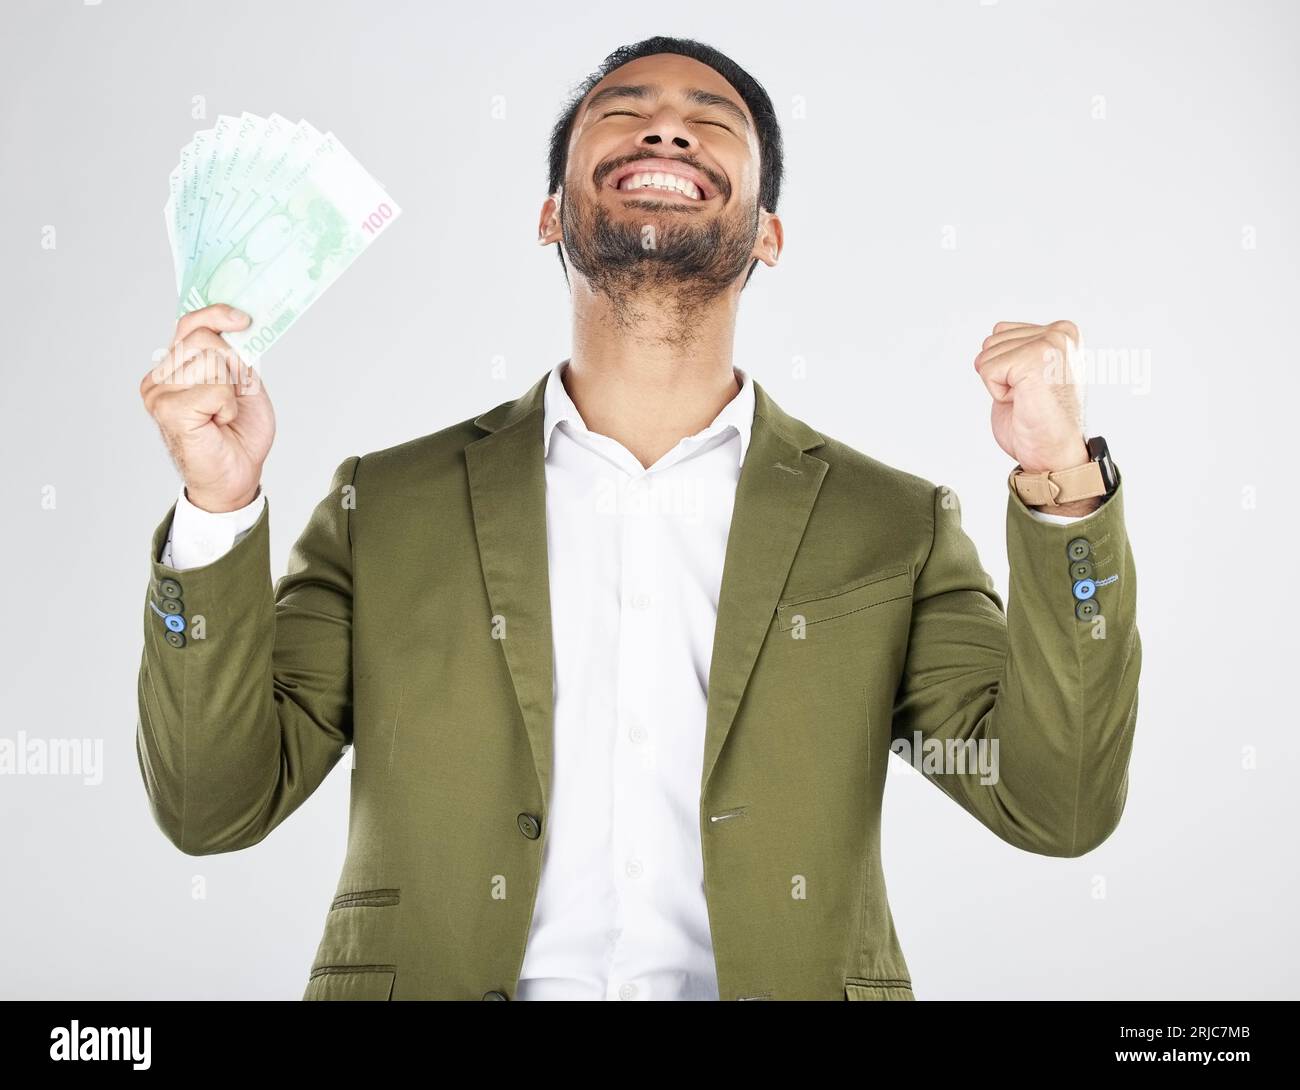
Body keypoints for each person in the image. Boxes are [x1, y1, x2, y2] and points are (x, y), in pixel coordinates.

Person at [136, 36, 1140, 1001]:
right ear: (549, 216)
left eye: (711, 122)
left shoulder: (892, 525)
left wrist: (1061, 477)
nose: (665, 133)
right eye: (623, 115)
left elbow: (1056, 805)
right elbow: (211, 804)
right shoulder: (384, 506)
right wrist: (219, 505)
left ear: (768, 234)